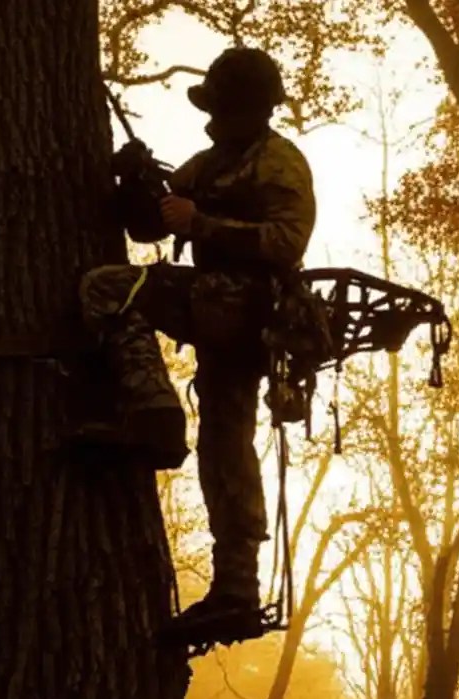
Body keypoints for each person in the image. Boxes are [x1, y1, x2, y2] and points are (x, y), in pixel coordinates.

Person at [75, 46, 316, 636]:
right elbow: (150, 223)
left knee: (108, 288)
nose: (215, 119)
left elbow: (287, 243)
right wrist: (133, 179)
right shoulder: (207, 164)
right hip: (219, 321)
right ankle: (236, 589)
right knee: (224, 448)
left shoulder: (278, 161)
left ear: (249, 109)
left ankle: (153, 409)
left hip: (250, 310)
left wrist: (202, 224)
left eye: (225, 108)